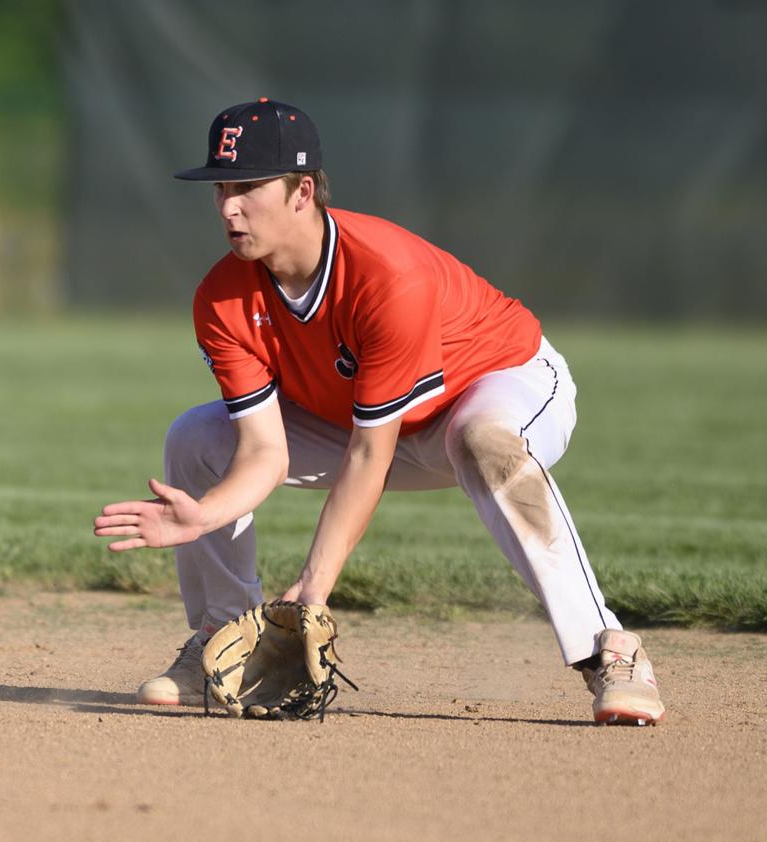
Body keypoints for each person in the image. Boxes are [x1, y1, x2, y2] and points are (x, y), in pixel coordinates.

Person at [93, 98, 665, 725]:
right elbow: (264, 451)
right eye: (221, 187)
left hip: (500, 383)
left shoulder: (387, 275)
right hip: (370, 422)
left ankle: (609, 650)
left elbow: (371, 453)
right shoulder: (222, 298)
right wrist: (203, 514)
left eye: (249, 187)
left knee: (484, 441)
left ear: (301, 191)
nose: (229, 205)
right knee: (198, 436)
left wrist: (314, 588)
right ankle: (229, 645)